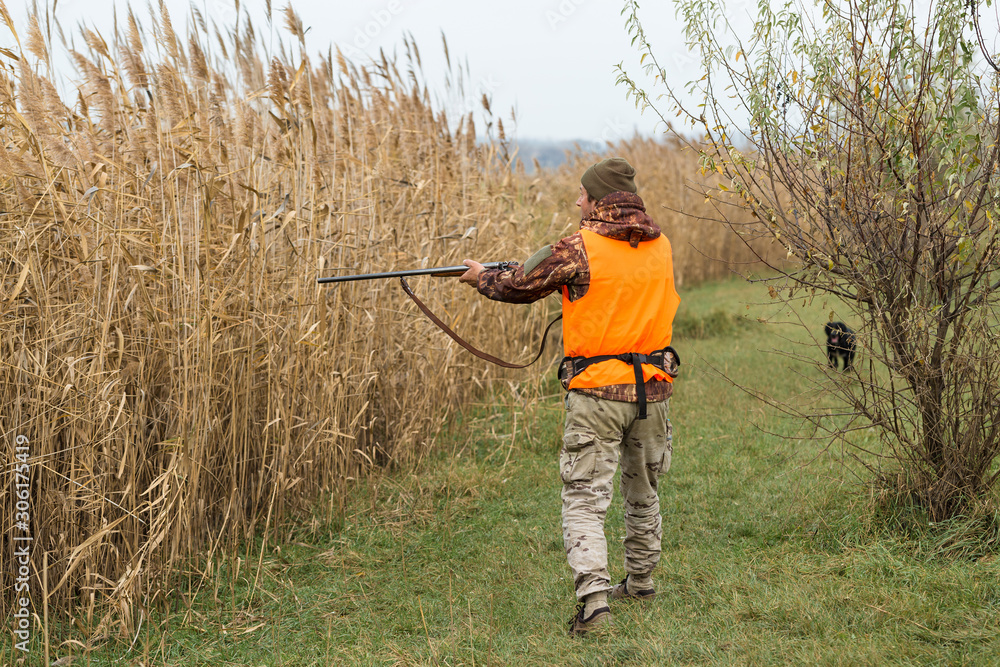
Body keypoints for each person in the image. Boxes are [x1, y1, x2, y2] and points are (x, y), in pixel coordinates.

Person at [459, 157, 680, 636]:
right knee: (643, 491)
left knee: (584, 497)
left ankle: (595, 605)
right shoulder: (661, 244)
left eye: (583, 194)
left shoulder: (580, 247)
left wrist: (482, 277)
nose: (577, 201)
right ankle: (640, 583)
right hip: (653, 391)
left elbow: (521, 283)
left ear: (599, 199)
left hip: (597, 394)